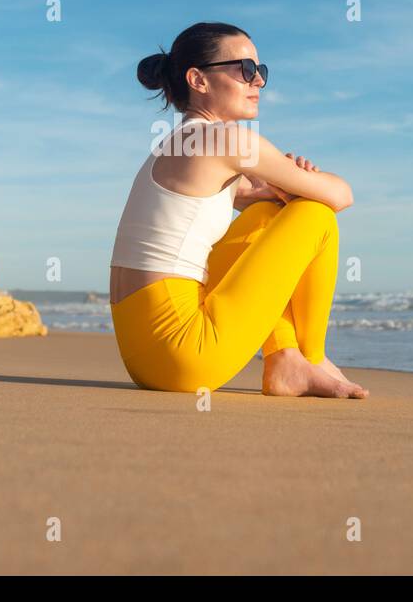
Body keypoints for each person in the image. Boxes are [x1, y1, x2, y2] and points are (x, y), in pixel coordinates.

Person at [109, 21, 368, 399]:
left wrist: (282, 189)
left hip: (144, 357)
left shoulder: (176, 145)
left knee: (266, 215)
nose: (258, 82)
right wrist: (299, 182)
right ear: (198, 80)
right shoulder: (228, 140)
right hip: (185, 355)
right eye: (246, 70)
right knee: (316, 215)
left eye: (261, 72)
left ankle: (285, 359)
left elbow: (267, 203)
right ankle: (311, 359)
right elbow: (340, 196)